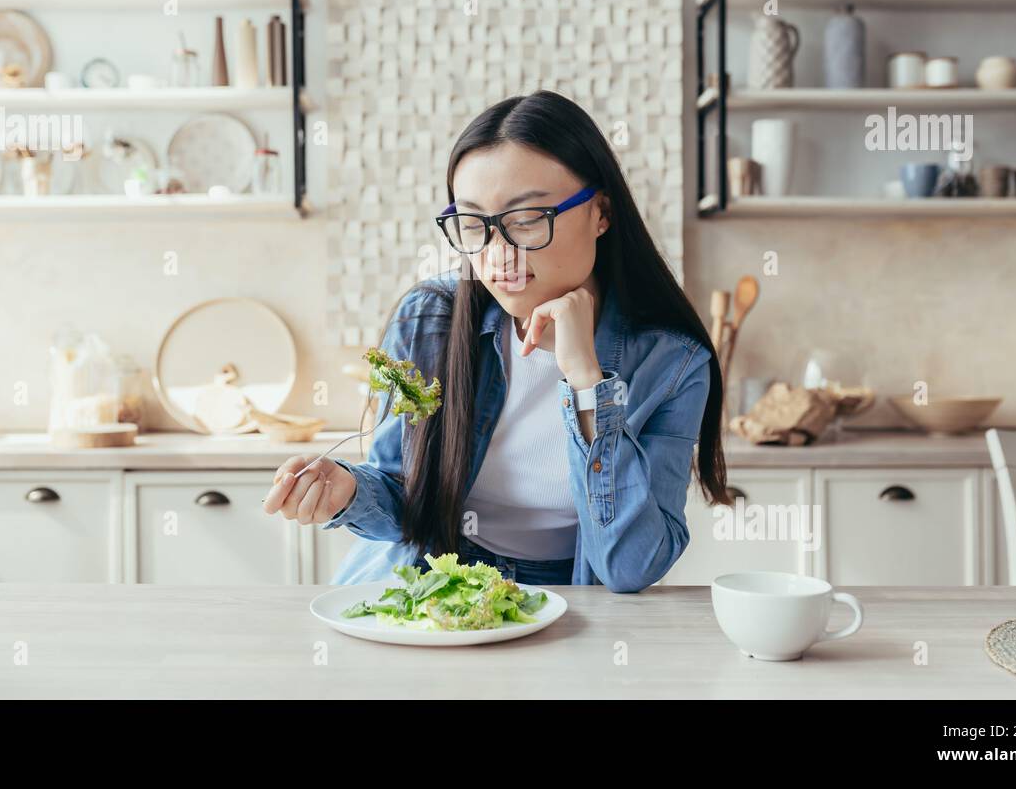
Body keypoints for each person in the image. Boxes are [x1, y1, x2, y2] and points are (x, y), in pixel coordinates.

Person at [263, 90, 729, 592]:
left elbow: (630, 566)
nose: (497, 254)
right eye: (473, 224)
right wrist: (348, 490)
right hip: (431, 583)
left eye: (526, 220)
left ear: (601, 212)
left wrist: (586, 383)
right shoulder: (429, 319)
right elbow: (402, 496)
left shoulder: (672, 362)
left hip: (572, 597)